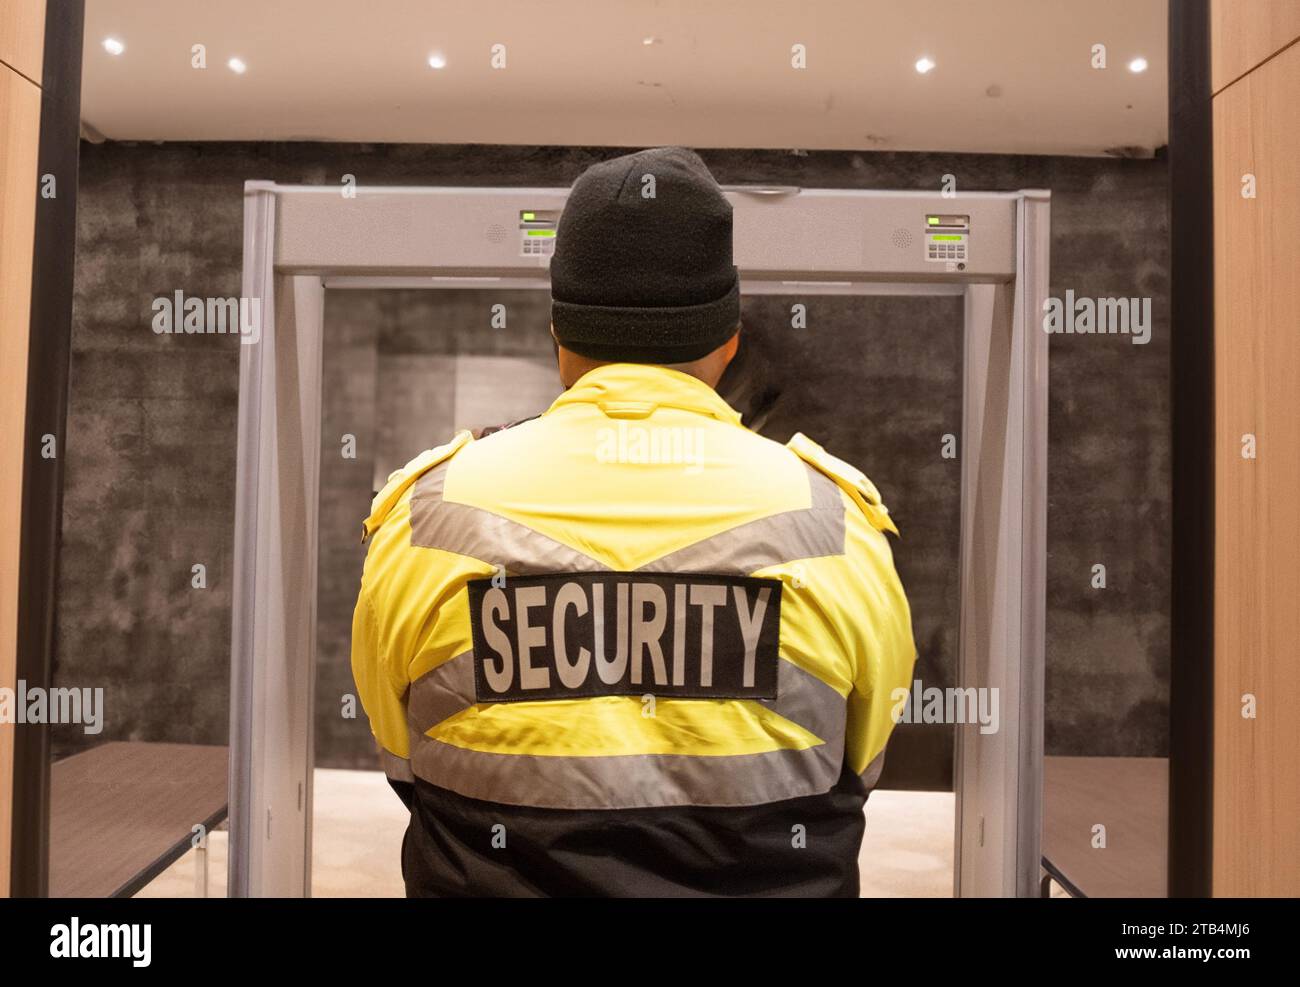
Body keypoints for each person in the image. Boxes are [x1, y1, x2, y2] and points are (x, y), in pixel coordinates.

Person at [351, 146, 916, 897]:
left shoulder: (424, 518)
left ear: (560, 336)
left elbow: (404, 757)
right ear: (728, 338)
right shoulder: (837, 524)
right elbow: (862, 761)